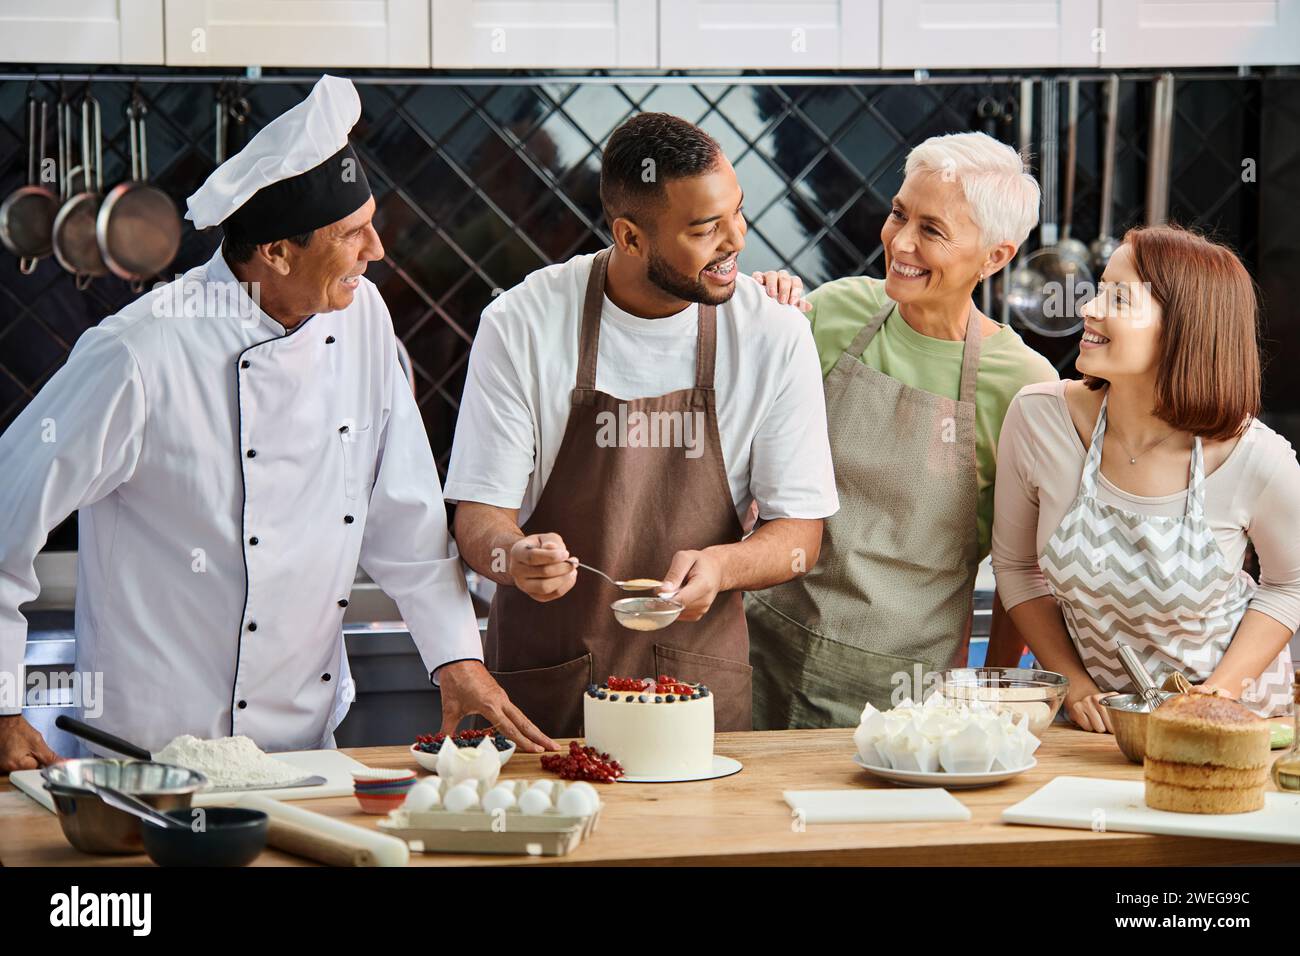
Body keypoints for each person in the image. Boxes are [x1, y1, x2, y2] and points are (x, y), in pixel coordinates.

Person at [0, 75, 553, 771]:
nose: (378, 250)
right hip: (147, 760)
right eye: (353, 234)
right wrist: (1, 703)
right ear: (276, 254)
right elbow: (5, 508)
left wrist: (455, 660)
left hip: (302, 755)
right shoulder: (138, 353)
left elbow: (404, 515)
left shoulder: (364, 322)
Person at [446, 112, 839, 737]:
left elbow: (801, 534)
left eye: (736, 212)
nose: (736, 239)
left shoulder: (773, 334)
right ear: (629, 238)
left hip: (697, 697)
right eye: (706, 229)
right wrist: (513, 556)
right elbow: (477, 521)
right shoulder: (522, 322)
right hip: (544, 697)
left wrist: (723, 568)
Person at [745, 131, 1056, 728]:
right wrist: (758, 311)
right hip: (764, 647)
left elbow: (1021, 562)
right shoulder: (836, 313)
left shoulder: (1021, 382)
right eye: (898, 214)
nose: (900, 241)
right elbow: (735, 434)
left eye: (932, 230)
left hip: (901, 691)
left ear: (995, 256)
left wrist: (989, 691)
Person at [992, 224, 1298, 730]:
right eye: (1097, 289)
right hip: (1101, 725)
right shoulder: (1039, 419)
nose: (1088, 308)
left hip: (1235, 724)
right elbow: (1017, 566)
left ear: (1184, 326)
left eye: (1118, 296)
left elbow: (1291, 585)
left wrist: (1218, 693)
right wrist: (1075, 684)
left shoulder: (1256, 457)